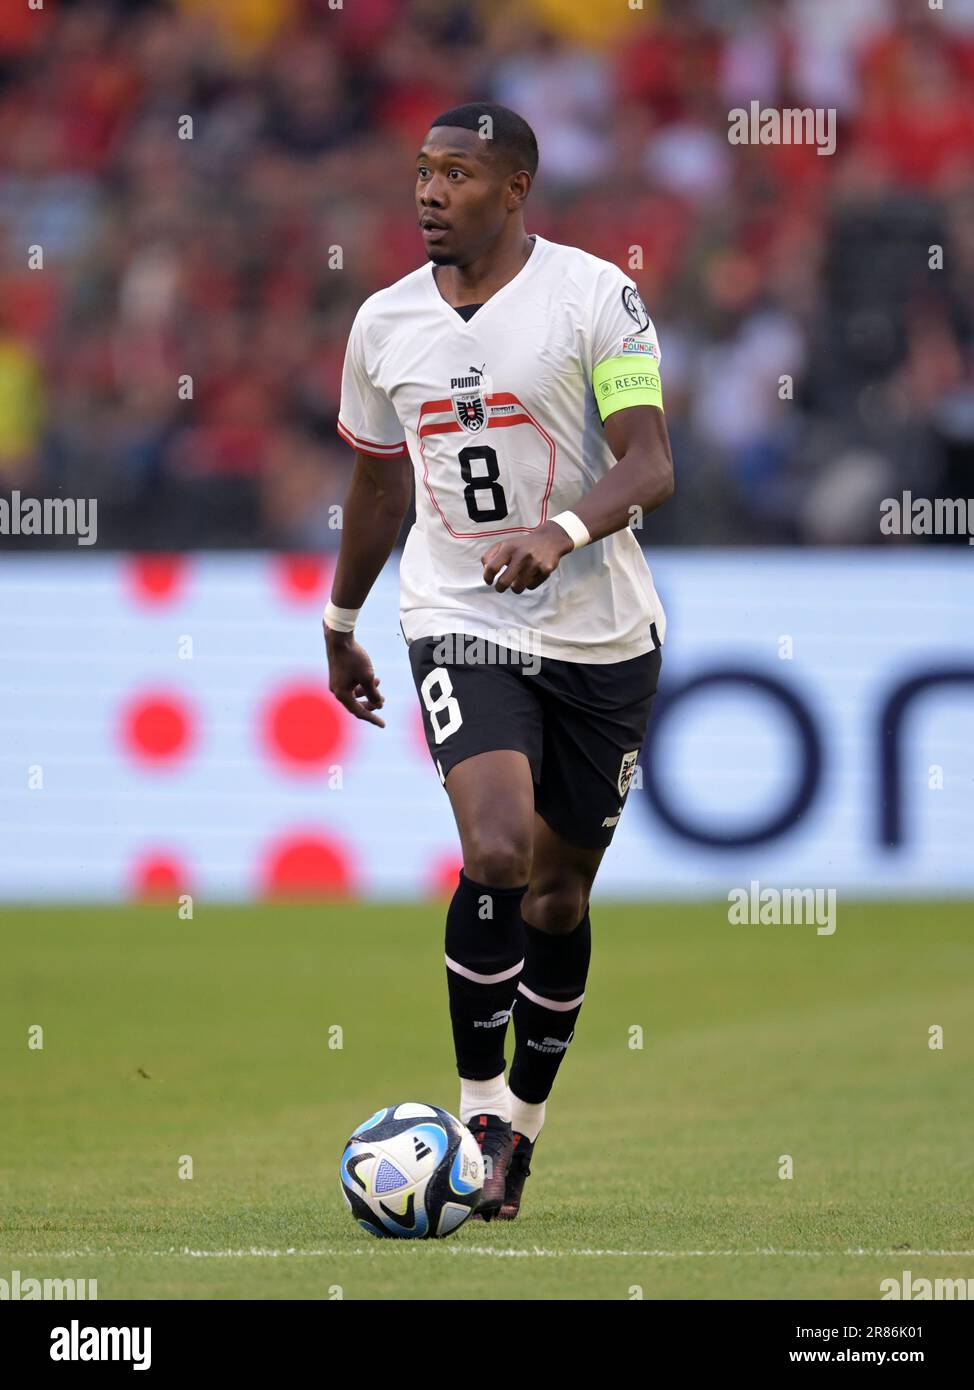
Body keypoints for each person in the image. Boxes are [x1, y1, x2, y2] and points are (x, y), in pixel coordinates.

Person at [325, 103, 673, 1222]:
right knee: (495, 847)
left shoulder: (592, 299)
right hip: (458, 612)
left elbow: (649, 463)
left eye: (457, 174)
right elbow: (379, 484)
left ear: (514, 188)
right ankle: (474, 1121)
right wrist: (340, 619)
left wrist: (562, 532)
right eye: (421, 171)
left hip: (599, 632)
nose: (429, 192)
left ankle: (521, 1127)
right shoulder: (382, 325)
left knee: (559, 898)